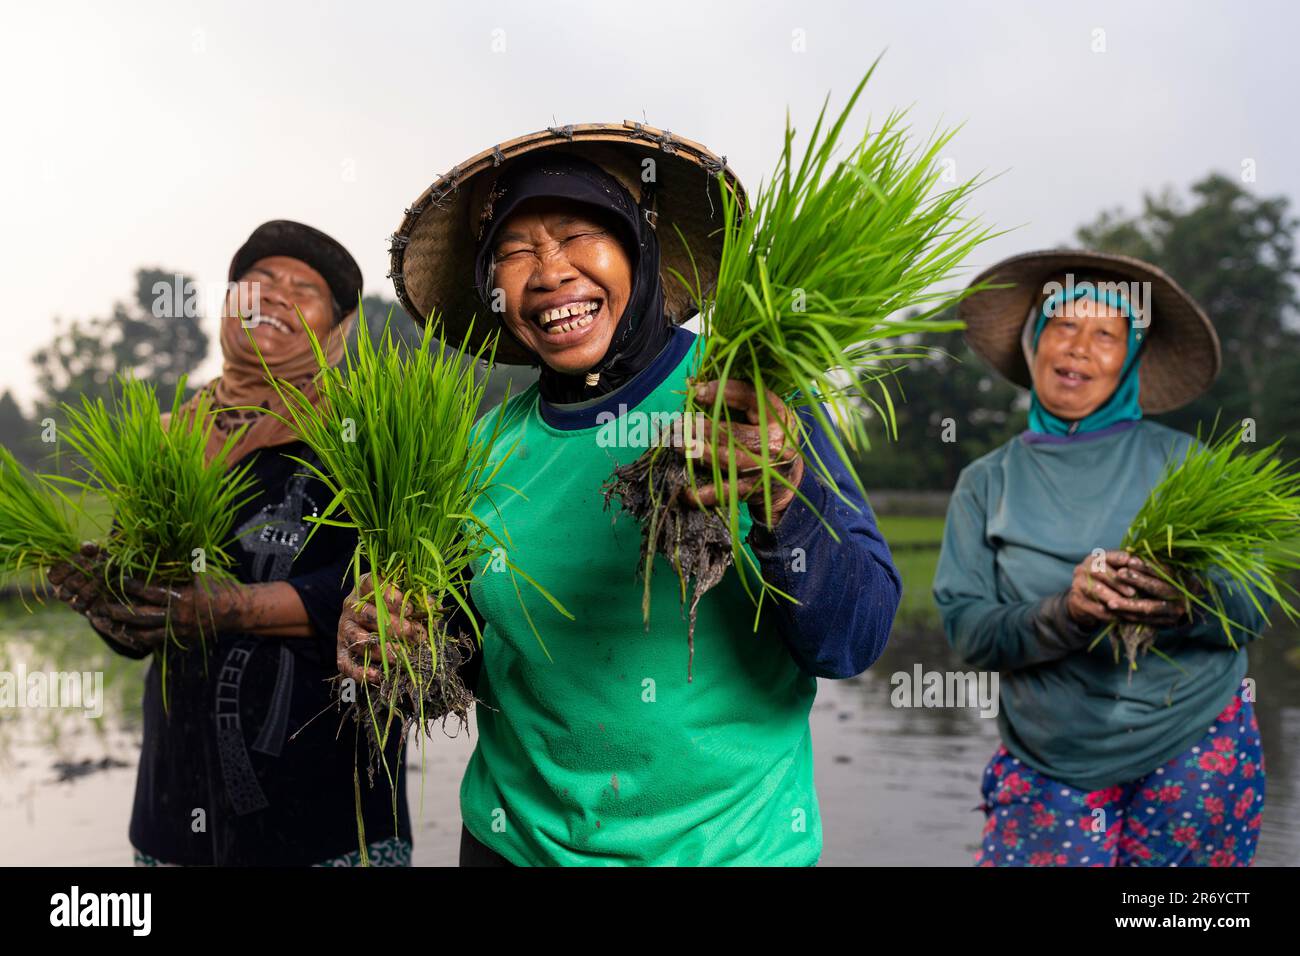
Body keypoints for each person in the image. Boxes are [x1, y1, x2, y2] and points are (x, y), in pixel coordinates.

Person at [338, 123, 903, 866]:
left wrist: (783, 497)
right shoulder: (479, 451)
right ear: (491, 290)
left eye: (578, 232)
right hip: (513, 847)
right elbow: (474, 657)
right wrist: (395, 643)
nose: (548, 272)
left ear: (640, 245)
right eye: (512, 252)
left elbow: (850, 640)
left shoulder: (745, 401)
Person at [47, 220, 412, 866]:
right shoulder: (164, 438)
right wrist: (109, 600)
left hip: (327, 815)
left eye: (303, 290)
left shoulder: (364, 434)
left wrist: (232, 607)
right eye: (259, 282)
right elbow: (150, 615)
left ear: (336, 332)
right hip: (176, 807)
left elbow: (383, 590)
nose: (273, 297)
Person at [934, 250, 1267, 867]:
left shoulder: (1188, 463)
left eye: (1106, 334)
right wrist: (1068, 612)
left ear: (1131, 357)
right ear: (1034, 340)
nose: (1080, 347)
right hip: (1050, 754)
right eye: (1063, 324)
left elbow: (1251, 608)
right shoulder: (988, 482)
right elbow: (969, 631)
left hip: (1193, 740)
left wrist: (1182, 600)